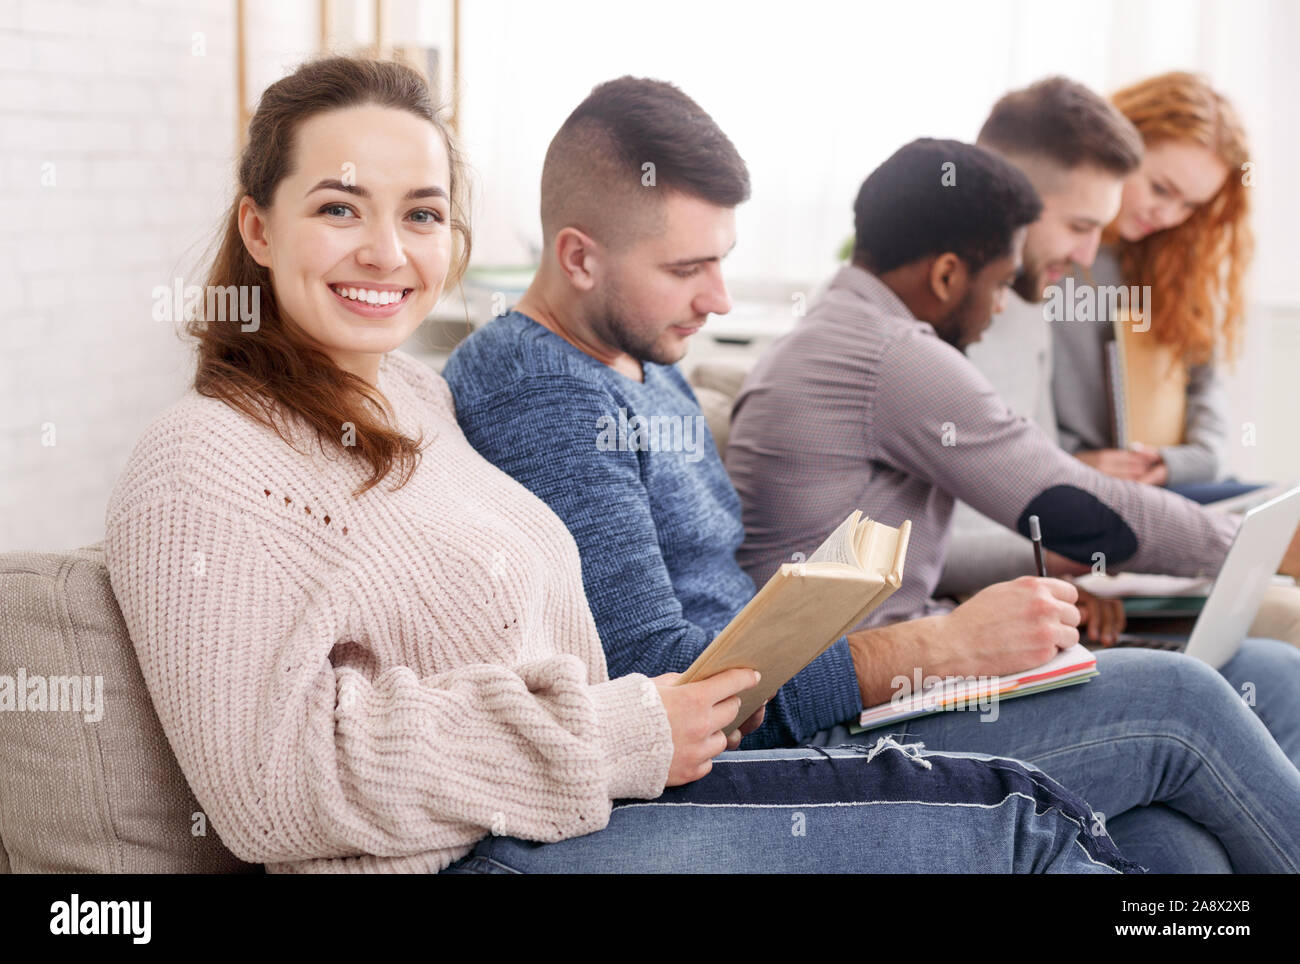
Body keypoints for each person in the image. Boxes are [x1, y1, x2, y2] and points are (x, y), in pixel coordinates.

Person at [100, 56, 1134, 875]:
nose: (386, 250)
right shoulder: (203, 459)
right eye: (338, 207)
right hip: (469, 857)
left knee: (1089, 820)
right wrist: (619, 734)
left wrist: (638, 735)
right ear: (257, 227)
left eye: (419, 213)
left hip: (583, 810)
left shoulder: (414, 401)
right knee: (1025, 828)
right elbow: (268, 784)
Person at [442, 76, 1300, 872]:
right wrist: (939, 649)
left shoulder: (643, 358)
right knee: (1181, 703)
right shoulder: (543, 394)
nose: (721, 299)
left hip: (810, 705)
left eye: (722, 259)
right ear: (580, 258)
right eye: (685, 269)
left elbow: (727, 605)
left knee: (1178, 847)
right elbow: (661, 692)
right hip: (755, 759)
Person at [1052, 72, 1257, 502]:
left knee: (1276, 507)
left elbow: (1205, 384)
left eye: (1190, 206)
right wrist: (1070, 460)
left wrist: (1183, 461)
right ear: (1116, 146)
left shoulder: (1174, 261)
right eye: (1161, 189)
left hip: (1166, 481)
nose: (1168, 215)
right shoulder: (1046, 252)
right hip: (1075, 482)